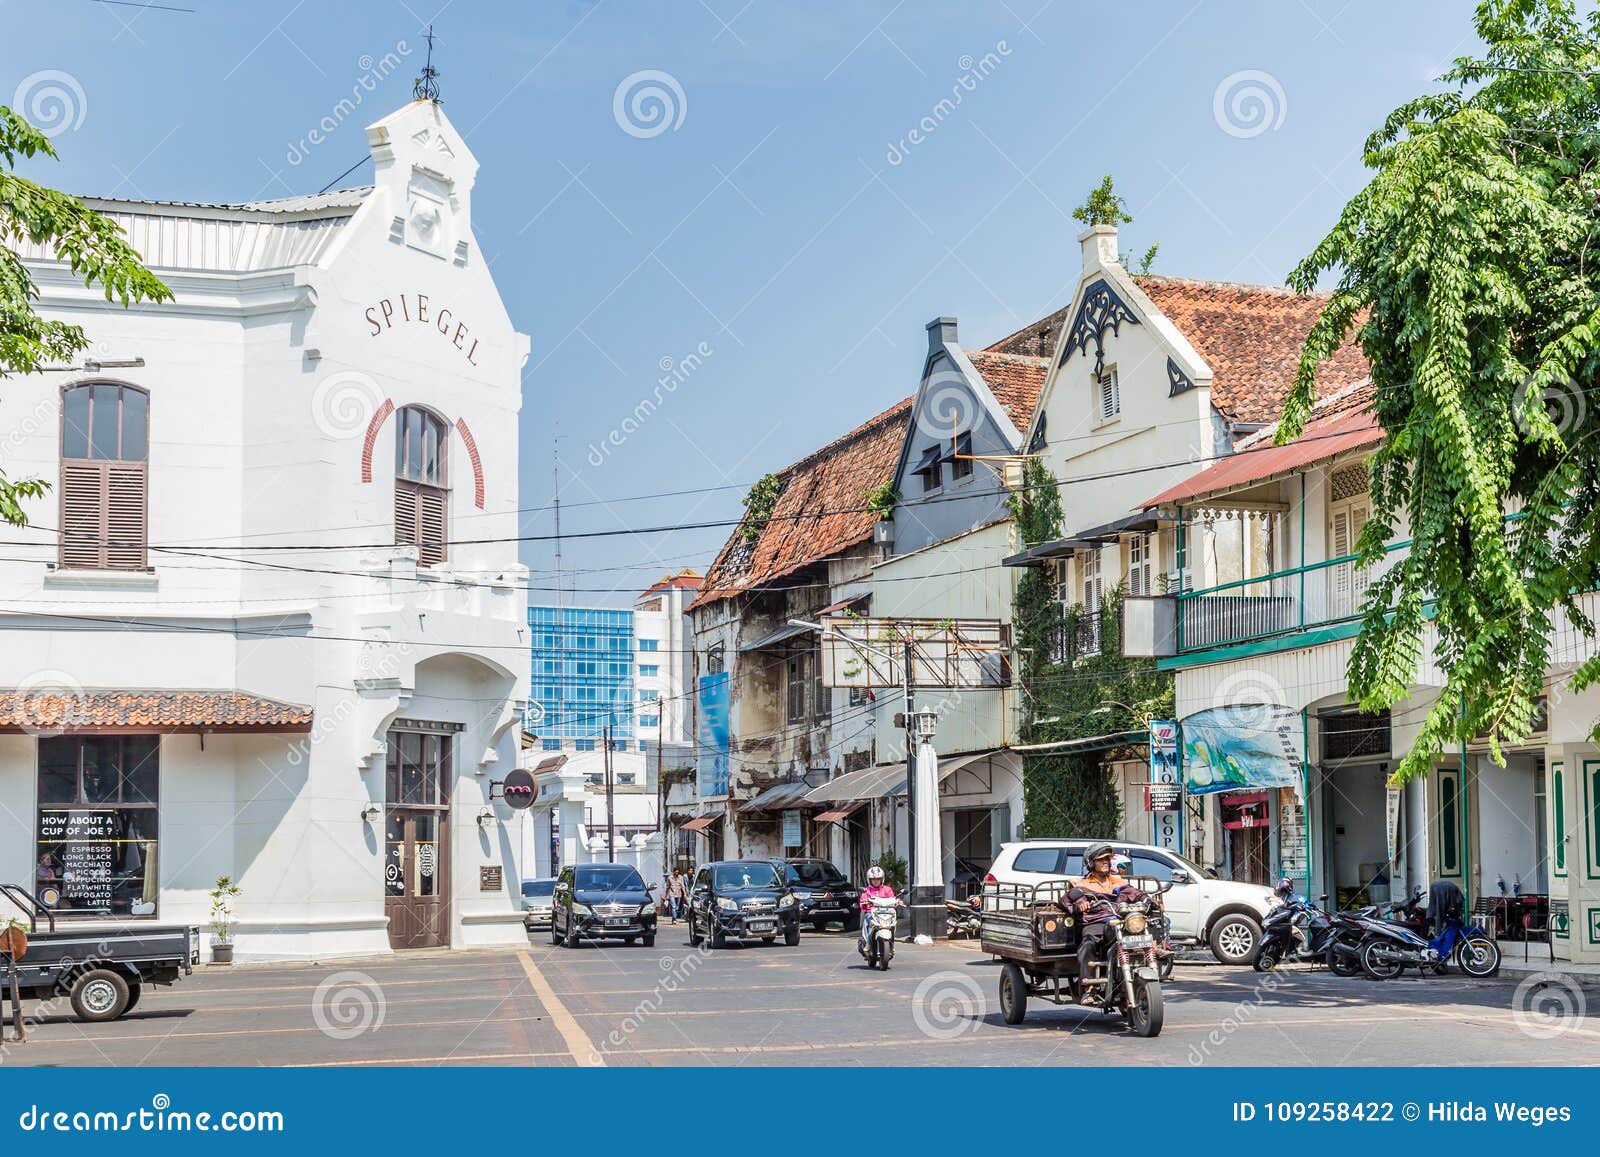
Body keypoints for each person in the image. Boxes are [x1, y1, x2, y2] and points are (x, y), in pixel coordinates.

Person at [1064, 843, 1150, 1004]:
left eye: (1107, 859)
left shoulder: (1117, 881)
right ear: (1091, 863)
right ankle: (1088, 989)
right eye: (1100, 859)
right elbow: (1070, 896)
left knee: (1145, 929)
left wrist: (1146, 899)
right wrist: (1081, 901)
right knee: (1088, 944)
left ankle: (1149, 962)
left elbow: (1133, 893)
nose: (1105, 862)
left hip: (1118, 920)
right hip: (1095, 922)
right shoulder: (1083, 884)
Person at [857, 865, 904, 950]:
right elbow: (862, 901)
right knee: (868, 921)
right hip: (872, 913)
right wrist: (864, 902)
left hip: (887, 913)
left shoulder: (887, 889)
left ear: (882, 879)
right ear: (869, 880)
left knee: (893, 923)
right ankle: (868, 942)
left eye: (878, 879)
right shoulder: (866, 890)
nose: (876, 881)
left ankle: (891, 943)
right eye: (873, 879)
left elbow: (893, 899)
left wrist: (898, 902)